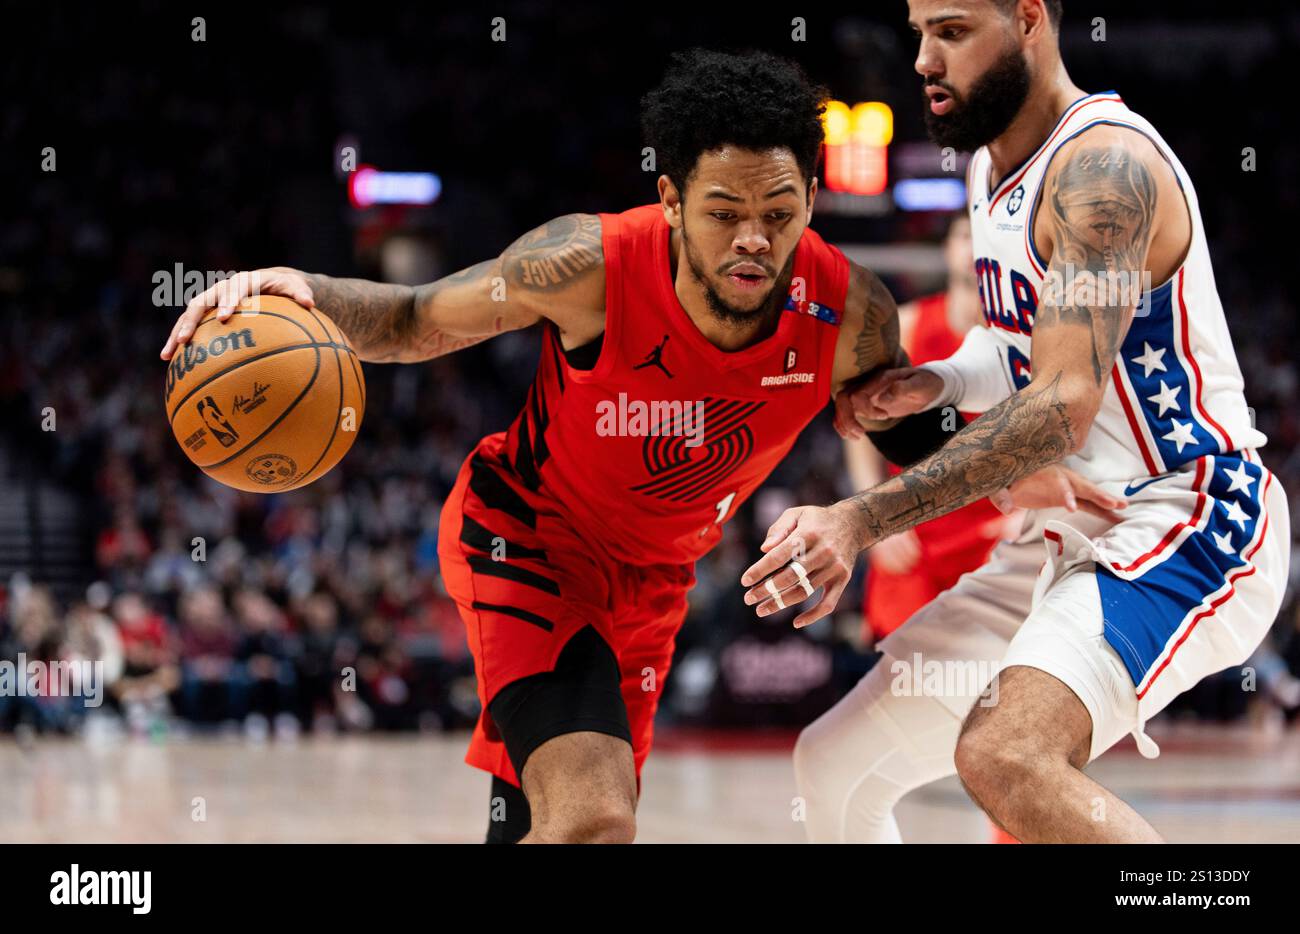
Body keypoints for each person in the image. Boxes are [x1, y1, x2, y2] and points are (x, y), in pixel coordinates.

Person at [162, 49, 1019, 843]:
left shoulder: (849, 312)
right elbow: (418, 317)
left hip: (655, 583)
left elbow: (910, 430)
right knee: (594, 818)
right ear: (672, 199)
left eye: (778, 213)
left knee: (539, 826)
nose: (753, 240)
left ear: (812, 200)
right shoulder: (586, 265)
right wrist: (304, 291)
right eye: (723, 213)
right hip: (526, 540)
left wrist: (1024, 473)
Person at [744, 0, 1289, 843]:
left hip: (1186, 516)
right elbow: (1018, 350)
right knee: (832, 764)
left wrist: (858, 520)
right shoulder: (989, 167)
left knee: (1007, 755)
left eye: (953, 32)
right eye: (920, 32)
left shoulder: (1104, 169)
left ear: (1029, 19)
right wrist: (934, 382)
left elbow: (1061, 404)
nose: (924, 60)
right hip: (1066, 531)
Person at [844, 214, 1009, 643]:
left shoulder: (1024, 339)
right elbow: (861, 429)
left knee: (1000, 675)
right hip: (912, 533)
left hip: (997, 537)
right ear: (947, 249)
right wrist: (872, 512)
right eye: (965, 235)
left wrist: (1031, 519)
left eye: (985, 235)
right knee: (904, 672)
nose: (975, 246)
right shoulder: (906, 326)